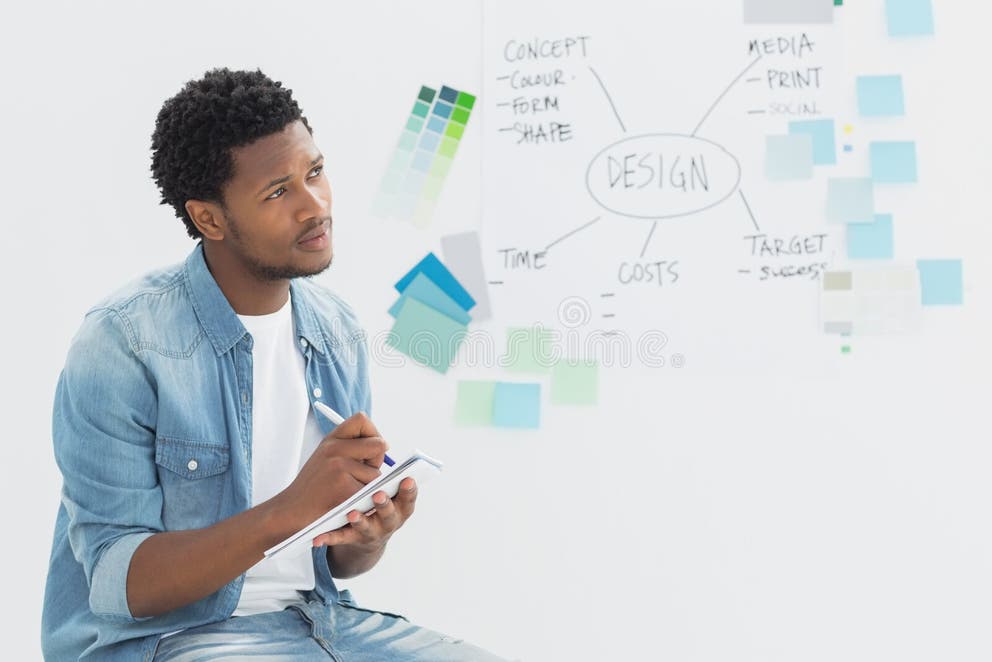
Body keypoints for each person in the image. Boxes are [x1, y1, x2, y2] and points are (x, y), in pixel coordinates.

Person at [41, 67, 504, 661]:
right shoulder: (124, 342)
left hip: (318, 623)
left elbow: (333, 559)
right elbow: (119, 583)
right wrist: (292, 507)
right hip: (171, 639)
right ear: (209, 219)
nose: (315, 206)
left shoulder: (336, 332)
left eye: (314, 172)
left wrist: (369, 533)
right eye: (278, 192)